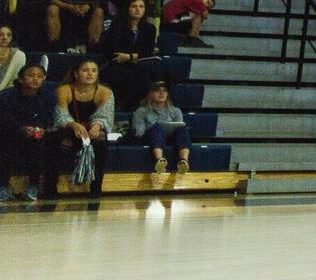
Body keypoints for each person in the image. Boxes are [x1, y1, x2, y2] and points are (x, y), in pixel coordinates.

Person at [50, 58, 115, 195]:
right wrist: (73, 124)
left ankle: (96, 188)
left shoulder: (105, 92)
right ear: (76, 74)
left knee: (102, 139)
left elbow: (104, 117)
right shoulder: (63, 90)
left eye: (94, 70)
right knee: (54, 140)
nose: (90, 74)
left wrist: (97, 126)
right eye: (85, 70)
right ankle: (50, 187)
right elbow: (60, 115)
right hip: (68, 129)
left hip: (90, 130)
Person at [0, 62, 58, 200]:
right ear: (21, 78)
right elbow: (4, 118)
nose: (35, 79)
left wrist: (40, 128)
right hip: (10, 131)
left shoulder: (48, 96)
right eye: (31, 75)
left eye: (39, 76)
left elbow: (48, 117)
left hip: (35, 132)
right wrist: (20, 129)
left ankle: (34, 185)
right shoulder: (6, 96)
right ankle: (2, 186)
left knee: (45, 141)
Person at [130, 80, 192, 174]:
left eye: (164, 90)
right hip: (151, 138)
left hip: (171, 138)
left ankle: (184, 161)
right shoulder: (141, 111)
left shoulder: (175, 111)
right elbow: (139, 133)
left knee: (182, 129)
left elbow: (178, 127)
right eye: (157, 90)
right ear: (150, 94)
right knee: (157, 128)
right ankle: (159, 160)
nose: (162, 93)